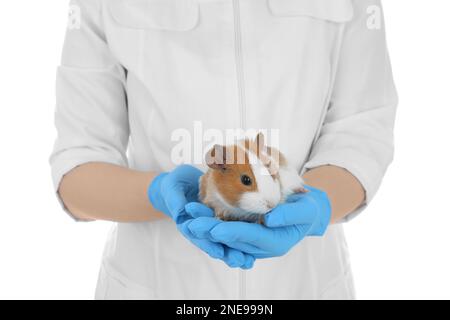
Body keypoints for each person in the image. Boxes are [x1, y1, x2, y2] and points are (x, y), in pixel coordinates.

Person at [50, 0, 397, 299]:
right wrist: (157, 193)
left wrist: (318, 204)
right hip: (157, 283)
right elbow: (78, 161)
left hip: (304, 284)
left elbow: (362, 130)